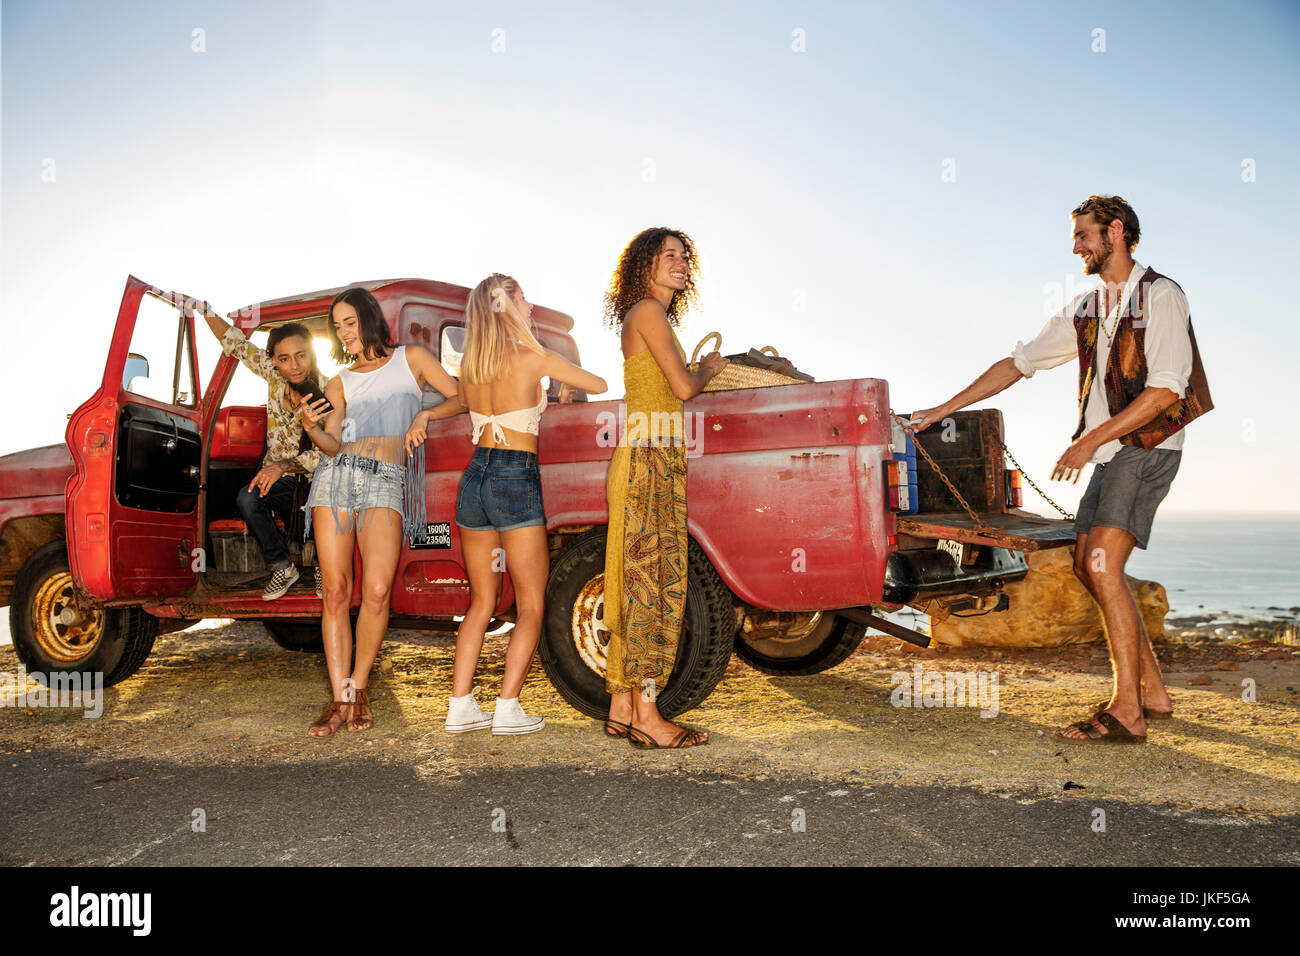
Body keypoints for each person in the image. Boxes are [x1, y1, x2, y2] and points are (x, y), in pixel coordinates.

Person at [910, 195, 1212, 744]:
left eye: (1083, 235)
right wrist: (942, 410)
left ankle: (1127, 713)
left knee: (1100, 566)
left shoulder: (1161, 295)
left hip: (1147, 447)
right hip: (1112, 452)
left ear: (1115, 232)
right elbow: (1018, 363)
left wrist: (1088, 441)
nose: (1075, 246)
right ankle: (1152, 693)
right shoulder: (1085, 307)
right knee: (1086, 563)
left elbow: (1168, 388)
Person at [411, 274, 607, 735]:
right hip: (515, 476)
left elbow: (459, 403)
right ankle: (507, 709)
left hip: (474, 476)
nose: (528, 301)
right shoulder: (535, 358)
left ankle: (460, 708)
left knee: (481, 602)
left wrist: (425, 413)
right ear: (509, 304)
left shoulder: (473, 372)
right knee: (532, 603)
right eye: (521, 295)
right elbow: (596, 383)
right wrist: (554, 377)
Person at [299, 287, 465, 737]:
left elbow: (462, 397)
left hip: (385, 478)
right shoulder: (340, 381)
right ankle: (340, 698)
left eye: (349, 322)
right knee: (335, 591)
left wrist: (424, 418)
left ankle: (360, 683)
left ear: (369, 319)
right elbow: (332, 444)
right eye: (337, 326)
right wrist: (313, 429)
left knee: (375, 589)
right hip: (335, 478)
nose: (343, 333)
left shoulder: (410, 359)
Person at [601, 228, 728, 749]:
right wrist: (708, 369)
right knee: (654, 585)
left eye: (682, 256)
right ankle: (649, 716)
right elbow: (682, 387)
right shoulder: (649, 313)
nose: (679, 263)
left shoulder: (649, 315)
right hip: (648, 459)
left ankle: (621, 706)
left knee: (636, 582)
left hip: (651, 454)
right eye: (667, 256)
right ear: (643, 267)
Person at [200, 304, 323, 600]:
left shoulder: (330, 390)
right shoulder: (274, 377)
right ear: (274, 361)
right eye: (285, 358)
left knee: (327, 493)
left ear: (312, 354)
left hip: (316, 476)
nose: (294, 365)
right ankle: (282, 565)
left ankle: (325, 566)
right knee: (247, 497)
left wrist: (282, 465)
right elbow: (237, 344)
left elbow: (329, 452)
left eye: (301, 355)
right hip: (279, 479)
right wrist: (204, 311)